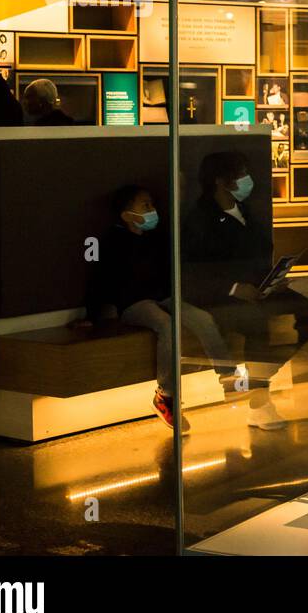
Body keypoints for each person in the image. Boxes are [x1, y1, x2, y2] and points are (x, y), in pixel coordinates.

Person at [182, 151, 308, 430]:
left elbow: (256, 254)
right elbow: (194, 273)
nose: (248, 180)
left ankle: (257, 385)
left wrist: (272, 279)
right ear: (221, 181)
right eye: (241, 174)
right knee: (258, 323)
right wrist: (233, 288)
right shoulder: (200, 220)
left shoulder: (245, 211)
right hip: (222, 298)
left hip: (258, 288)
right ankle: (259, 401)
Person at [82, 185, 234, 433]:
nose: (152, 210)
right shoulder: (112, 241)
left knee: (203, 318)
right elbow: (99, 280)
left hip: (164, 297)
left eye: (152, 205)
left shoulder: (157, 238)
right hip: (133, 304)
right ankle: (166, 395)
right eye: (145, 206)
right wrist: (91, 315)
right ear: (126, 214)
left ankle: (228, 376)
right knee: (166, 325)